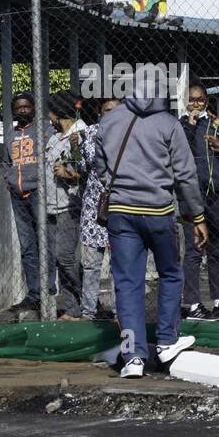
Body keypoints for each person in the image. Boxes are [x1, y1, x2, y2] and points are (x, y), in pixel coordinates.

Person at [94, 66, 206, 378]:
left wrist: (119, 188)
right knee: (171, 274)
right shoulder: (169, 124)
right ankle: (167, 341)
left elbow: (101, 168)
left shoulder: (108, 121)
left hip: (120, 213)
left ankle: (133, 357)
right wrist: (196, 216)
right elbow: (186, 174)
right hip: (158, 212)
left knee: (127, 283)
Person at [179, 85, 219, 321]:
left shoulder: (217, 124)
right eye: (192, 100)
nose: (196, 105)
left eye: (200, 100)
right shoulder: (180, 126)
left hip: (218, 193)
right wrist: (191, 127)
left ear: (207, 101)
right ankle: (193, 304)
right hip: (192, 195)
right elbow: (179, 154)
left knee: (216, 250)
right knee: (193, 250)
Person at [4, 91, 56, 316]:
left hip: (38, 192)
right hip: (17, 194)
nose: (22, 110)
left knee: (45, 241)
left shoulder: (45, 128)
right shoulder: (10, 134)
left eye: (26, 106)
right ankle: (34, 294)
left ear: (34, 107)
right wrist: (9, 180)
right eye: (18, 107)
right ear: (13, 111)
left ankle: (49, 289)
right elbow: (6, 162)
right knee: (27, 246)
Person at [74, 95, 120, 320]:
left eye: (117, 110)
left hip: (122, 205)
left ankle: (120, 311)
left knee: (119, 265)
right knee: (92, 264)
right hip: (95, 207)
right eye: (108, 110)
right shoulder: (91, 133)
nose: (113, 114)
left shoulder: (130, 133)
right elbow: (85, 165)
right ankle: (88, 312)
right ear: (100, 114)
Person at [46, 89, 88, 320]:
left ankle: (87, 298)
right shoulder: (54, 138)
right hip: (52, 204)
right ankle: (73, 309)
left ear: (58, 112)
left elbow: (87, 169)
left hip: (70, 204)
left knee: (65, 257)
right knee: (59, 259)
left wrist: (69, 173)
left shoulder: (80, 134)